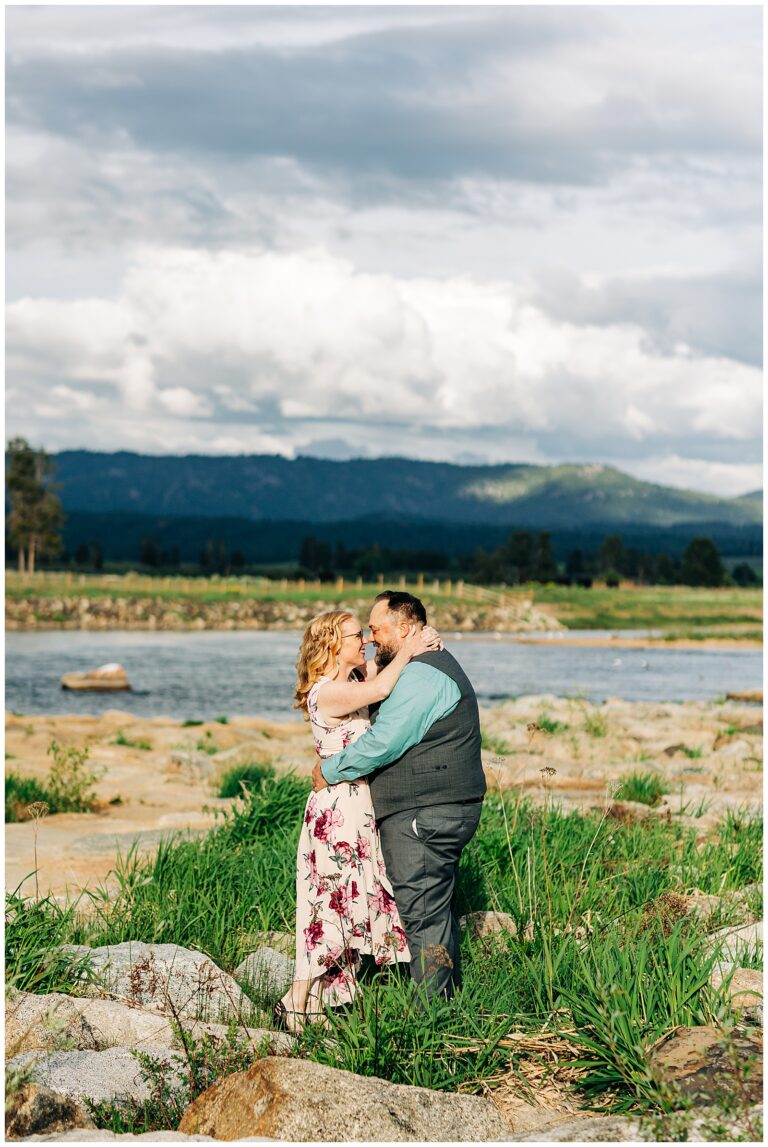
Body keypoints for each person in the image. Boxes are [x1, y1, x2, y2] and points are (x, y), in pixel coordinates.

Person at [313, 591, 486, 1001]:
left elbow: (384, 742)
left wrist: (328, 770)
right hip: (434, 806)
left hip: (424, 811)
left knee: (422, 914)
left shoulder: (423, 676)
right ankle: (447, 1001)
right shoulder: (412, 667)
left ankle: (434, 1016)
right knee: (432, 909)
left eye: (376, 629)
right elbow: (374, 686)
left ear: (405, 629)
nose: (371, 638)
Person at [275, 609, 442, 1031]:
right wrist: (411, 648)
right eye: (355, 636)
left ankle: (312, 1003)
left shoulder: (350, 678)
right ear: (333, 645)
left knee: (344, 901)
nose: (364, 640)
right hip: (337, 811)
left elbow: (385, 664)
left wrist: (420, 637)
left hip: (355, 807)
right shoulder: (328, 691)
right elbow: (384, 684)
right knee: (329, 904)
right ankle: (295, 1000)